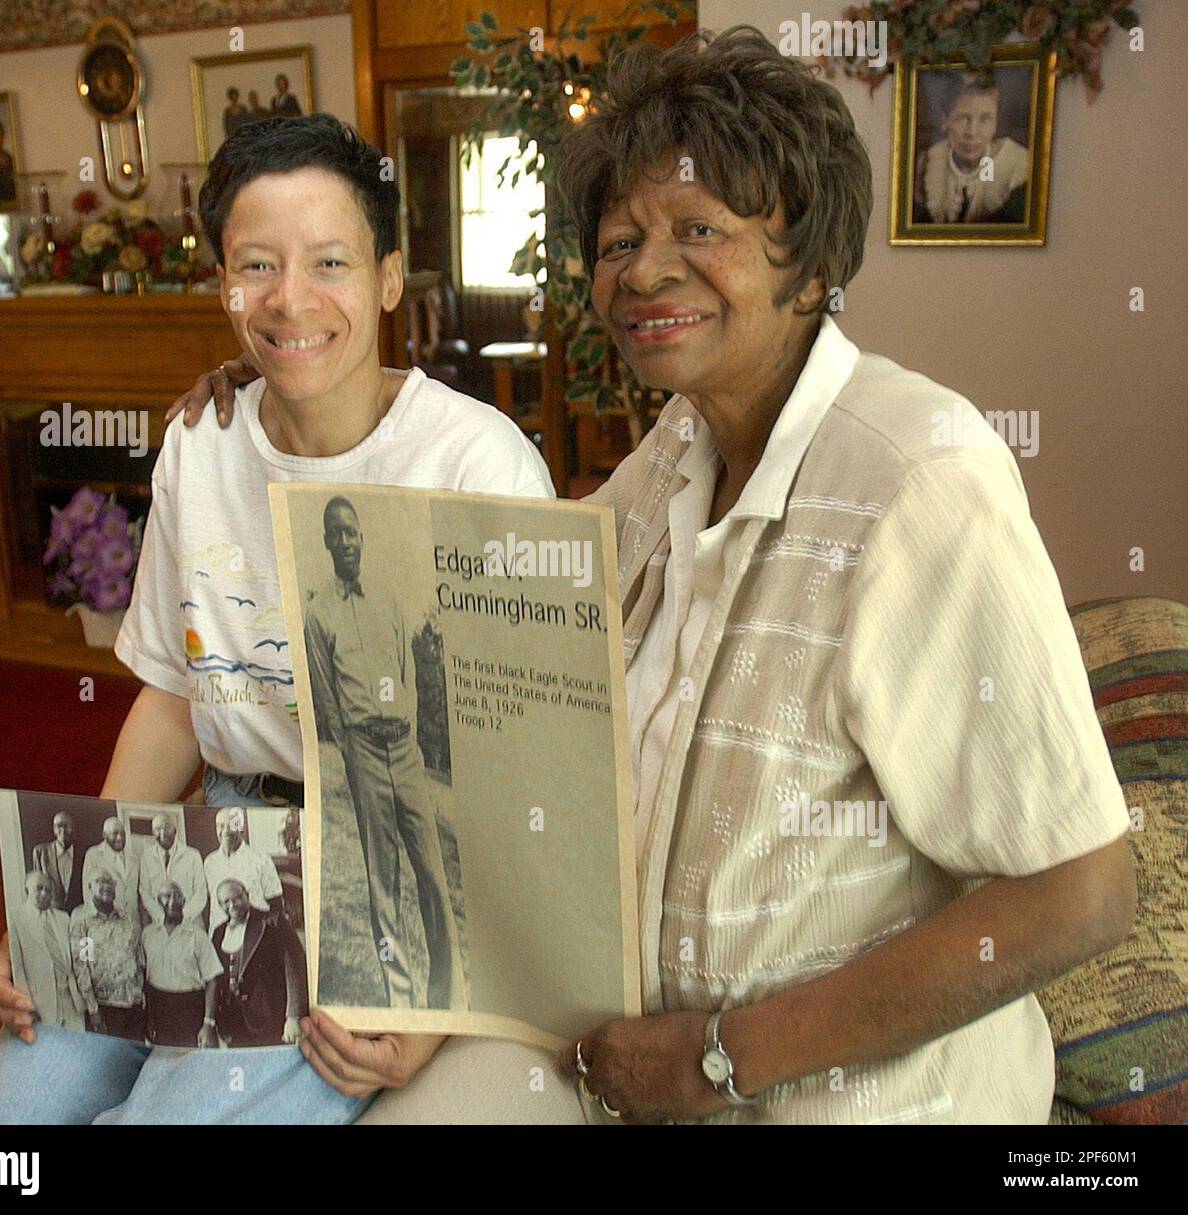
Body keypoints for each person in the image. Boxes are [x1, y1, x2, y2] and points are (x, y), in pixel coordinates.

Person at [182, 26, 1135, 1125]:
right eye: (620, 238)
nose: (643, 269)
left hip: (837, 1091)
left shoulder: (917, 476)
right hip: (616, 1046)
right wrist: (281, 378)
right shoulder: (674, 453)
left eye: (698, 229)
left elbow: (1085, 893)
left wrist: (724, 1057)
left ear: (812, 262)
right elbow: (506, 678)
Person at [0, 109, 552, 1125]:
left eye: (330, 261)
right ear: (221, 284)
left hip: (379, 867)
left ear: (387, 278)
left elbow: (527, 775)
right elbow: (173, 699)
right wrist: (58, 908)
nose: (291, 300)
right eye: (256, 266)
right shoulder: (200, 442)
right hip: (218, 840)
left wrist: (439, 994)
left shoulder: (476, 465)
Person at [305, 495, 466, 1009]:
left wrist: (409, 730)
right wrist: (352, 749)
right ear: (327, 542)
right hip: (364, 753)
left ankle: (444, 998)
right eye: (337, 534)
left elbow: (410, 674)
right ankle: (400, 999)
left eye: (352, 531)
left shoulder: (390, 601)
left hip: (406, 749)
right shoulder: (318, 614)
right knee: (382, 881)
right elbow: (326, 698)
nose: (347, 541)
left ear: (361, 538)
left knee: (432, 872)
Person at [914, 74, 1028, 224]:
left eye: (985, 119)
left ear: (996, 124)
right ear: (945, 120)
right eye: (962, 118)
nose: (972, 132)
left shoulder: (1017, 165)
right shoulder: (927, 163)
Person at [211, 879, 308, 1047]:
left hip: (270, 1018)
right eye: (226, 901)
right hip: (234, 1022)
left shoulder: (273, 922)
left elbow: (295, 968)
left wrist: (293, 1017)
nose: (232, 905)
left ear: (247, 895)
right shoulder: (219, 932)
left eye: (236, 898)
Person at [141, 881, 222, 1047]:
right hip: (159, 1009)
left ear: (184, 901)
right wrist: (149, 1017)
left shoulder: (198, 936)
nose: (172, 901)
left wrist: (208, 1023)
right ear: (158, 901)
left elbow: (212, 980)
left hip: (189, 1009)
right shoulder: (148, 935)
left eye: (177, 896)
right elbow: (145, 978)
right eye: (166, 896)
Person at [69, 874, 146, 1042]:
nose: (107, 886)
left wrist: (141, 996)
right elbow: (81, 965)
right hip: (106, 1007)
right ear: (89, 887)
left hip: (133, 1004)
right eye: (100, 881)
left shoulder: (125, 917)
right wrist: (93, 1009)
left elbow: (137, 956)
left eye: (110, 882)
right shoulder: (82, 919)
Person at [7, 872, 83, 1031]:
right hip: (41, 1004)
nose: (44, 894)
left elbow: (77, 957)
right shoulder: (15, 918)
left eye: (48, 890)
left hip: (71, 1002)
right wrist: (27, 1006)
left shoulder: (63, 918)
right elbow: (17, 968)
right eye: (39, 888)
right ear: (27, 890)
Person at [203, 807, 282, 933]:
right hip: (220, 935)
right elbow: (208, 902)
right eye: (221, 826)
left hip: (254, 933)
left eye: (231, 826)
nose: (226, 831)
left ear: (241, 828)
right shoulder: (209, 862)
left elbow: (276, 903)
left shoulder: (260, 859)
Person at [139, 812, 207, 927]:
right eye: (157, 829)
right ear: (152, 833)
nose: (162, 833)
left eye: (166, 827)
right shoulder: (146, 857)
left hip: (190, 923)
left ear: (175, 830)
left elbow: (201, 892)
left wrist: (184, 917)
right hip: (160, 925)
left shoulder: (192, 855)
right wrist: (161, 918)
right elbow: (144, 893)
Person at [82, 817, 140, 926]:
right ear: (104, 835)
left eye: (123, 834)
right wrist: (95, 921)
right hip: (106, 921)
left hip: (132, 921)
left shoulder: (134, 859)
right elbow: (87, 891)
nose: (120, 838)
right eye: (115, 833)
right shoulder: (94, 855)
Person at [31, 811, 84, 911]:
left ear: (73, 828)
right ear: (54, 829)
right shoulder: (40, 852)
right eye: (59, 826)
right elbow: (36, 886)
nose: (63, 830)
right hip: (50, 913)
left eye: (67, 826)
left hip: (77, 914)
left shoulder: (83, 854)